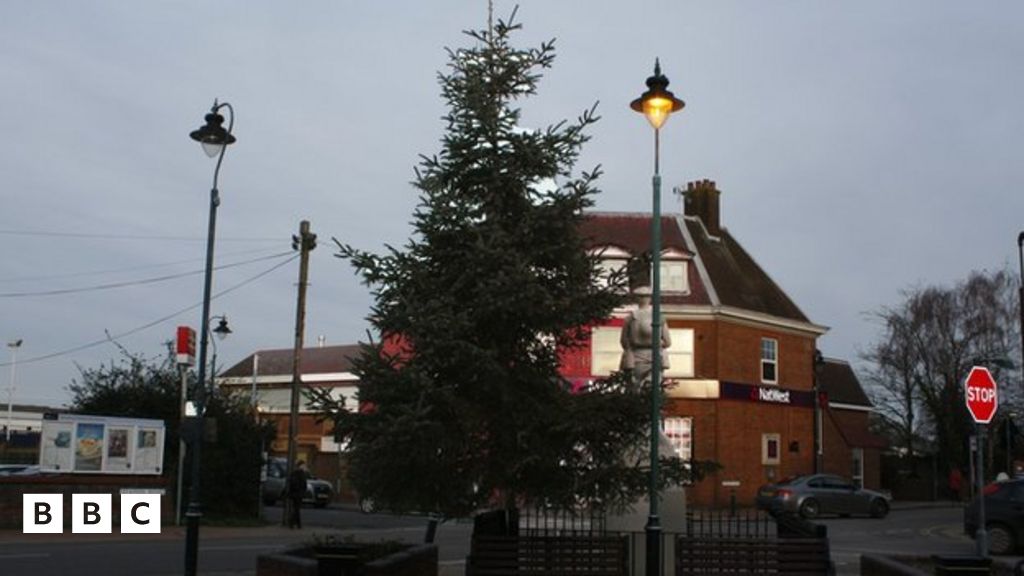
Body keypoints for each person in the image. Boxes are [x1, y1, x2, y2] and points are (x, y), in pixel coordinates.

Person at [286, 460, 308, 529]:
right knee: (296, 509)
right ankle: (292, 523)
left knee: (296, 508)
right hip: (298, 493)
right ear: (300, 466)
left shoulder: (294, 473)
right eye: (304, 465)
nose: (305, 467)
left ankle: (298, 524)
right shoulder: (301, 473)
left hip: (294, 493)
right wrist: (302, 491)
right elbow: (303, 484)